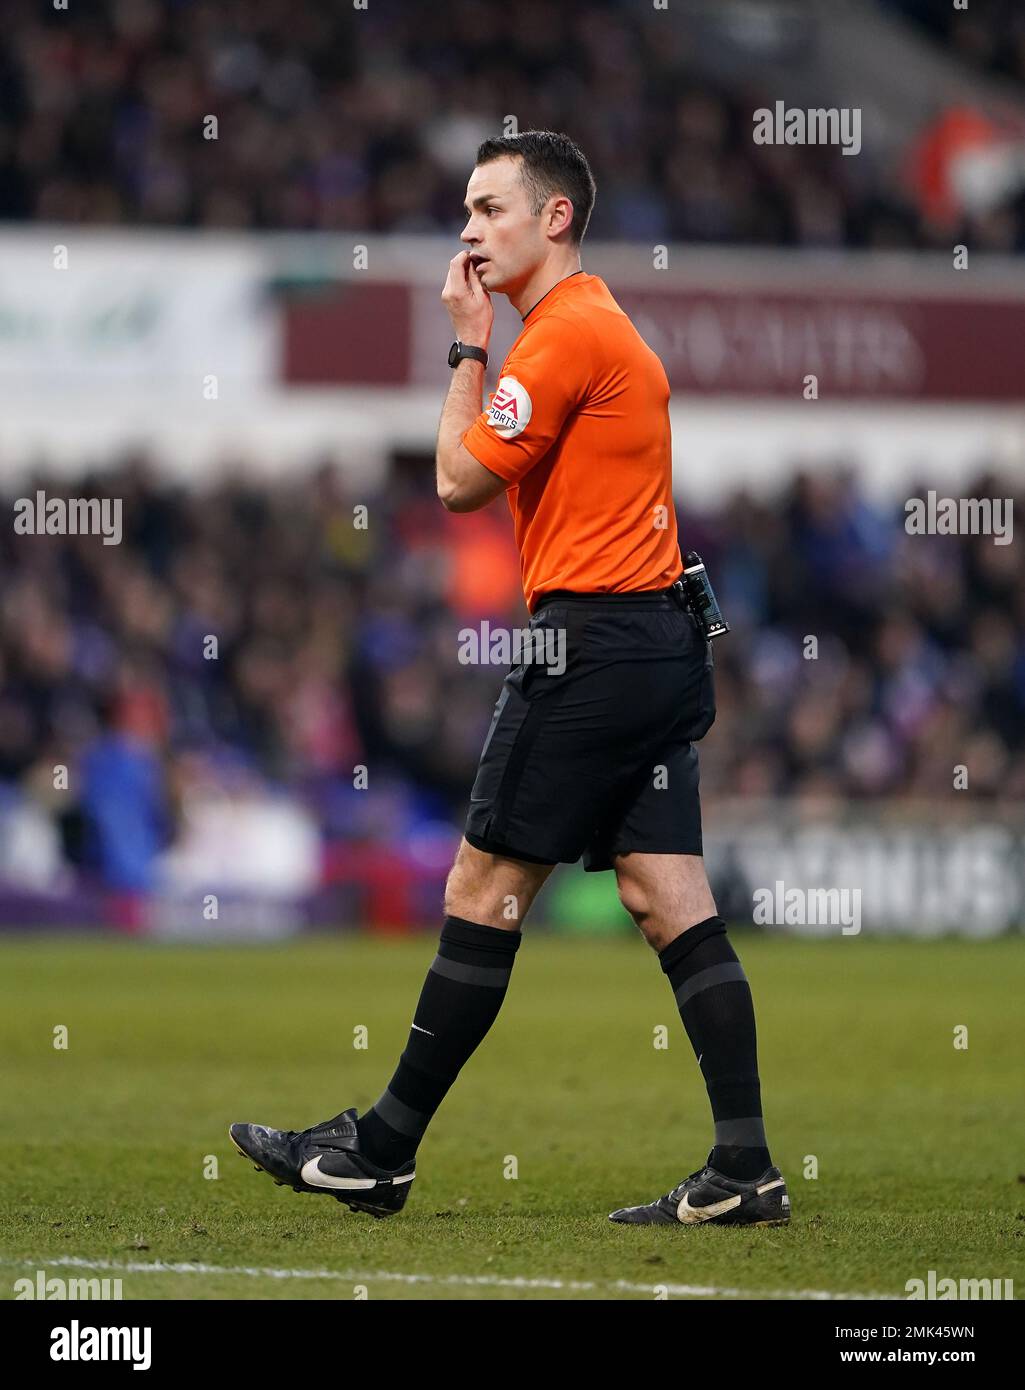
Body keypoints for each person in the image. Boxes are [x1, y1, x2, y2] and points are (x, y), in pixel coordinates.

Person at [230, 131, 789, 1228]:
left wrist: (467, 346)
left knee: (481, 887)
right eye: (465, 213)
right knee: (664, 894)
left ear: (554, 220)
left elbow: (453, 482)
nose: (468, 231)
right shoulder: (596, 326)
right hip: (657, 643)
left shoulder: (562, 335)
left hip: (591, 650)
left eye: (489, 210)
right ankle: (742, 1168)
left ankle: (379, 1150)